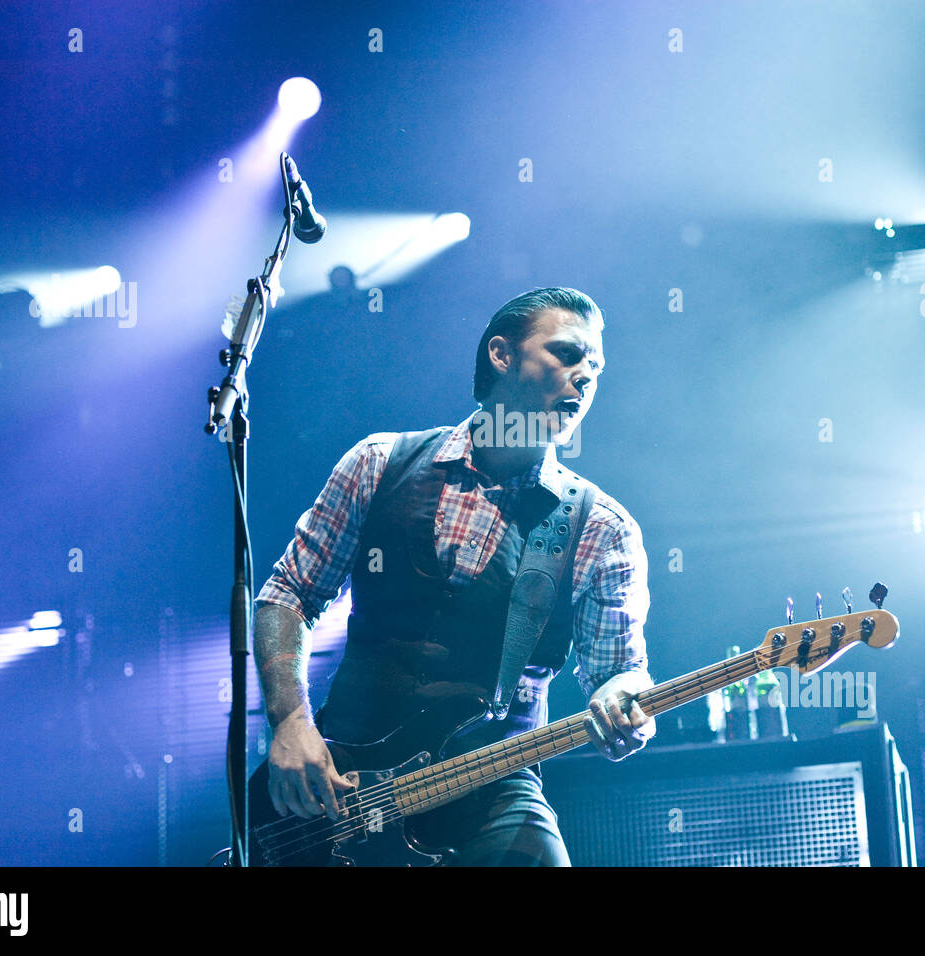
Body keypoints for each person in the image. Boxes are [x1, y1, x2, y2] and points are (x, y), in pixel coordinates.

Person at [252, 286, 653, 865]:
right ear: (501, 355)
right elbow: (288, 593)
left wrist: (623, 699)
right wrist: (290, 722)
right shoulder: (378, 463)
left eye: (595, 365)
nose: (585, 376)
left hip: (488, 784)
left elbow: (620, 673)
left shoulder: (602, 529)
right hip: (341, 778)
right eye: (567, 353)